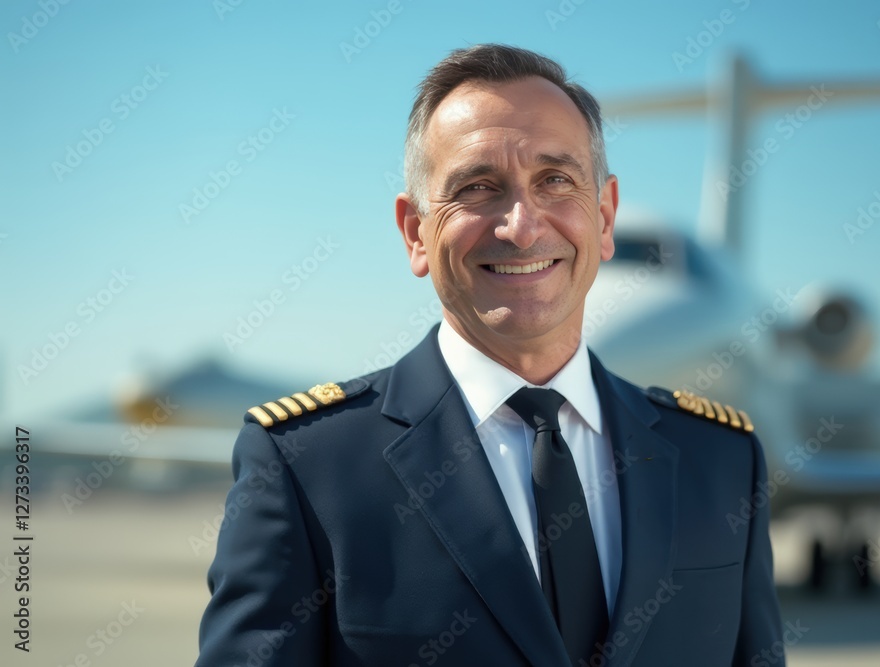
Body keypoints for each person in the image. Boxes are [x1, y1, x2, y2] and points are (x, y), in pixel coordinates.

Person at [196, 43, 784, 666]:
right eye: (477, 187)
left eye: (555, 180)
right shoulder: (305, 467)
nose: (522, 226)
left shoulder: (721, 460)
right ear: (415, 233)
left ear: (605, 217)